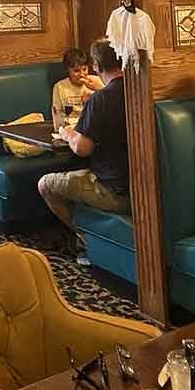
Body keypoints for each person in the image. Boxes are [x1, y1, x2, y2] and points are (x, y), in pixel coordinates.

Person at [38, 39, 130, 263]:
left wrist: (68, 134)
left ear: (96, 65)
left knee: (46, 184)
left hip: (113, 191)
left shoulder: (100, 100)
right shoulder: (136, 90)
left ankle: (86, 241)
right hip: (141, 188)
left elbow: (81, 149)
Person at [51, 48, 103, 129]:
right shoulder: (59, 87)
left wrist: (94, 97)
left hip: (94, 127)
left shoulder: (96, 82)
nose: (82, 74)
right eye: (76, 71)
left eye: (84, 69)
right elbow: (58, 117)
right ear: (67, 71)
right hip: (71, 128)